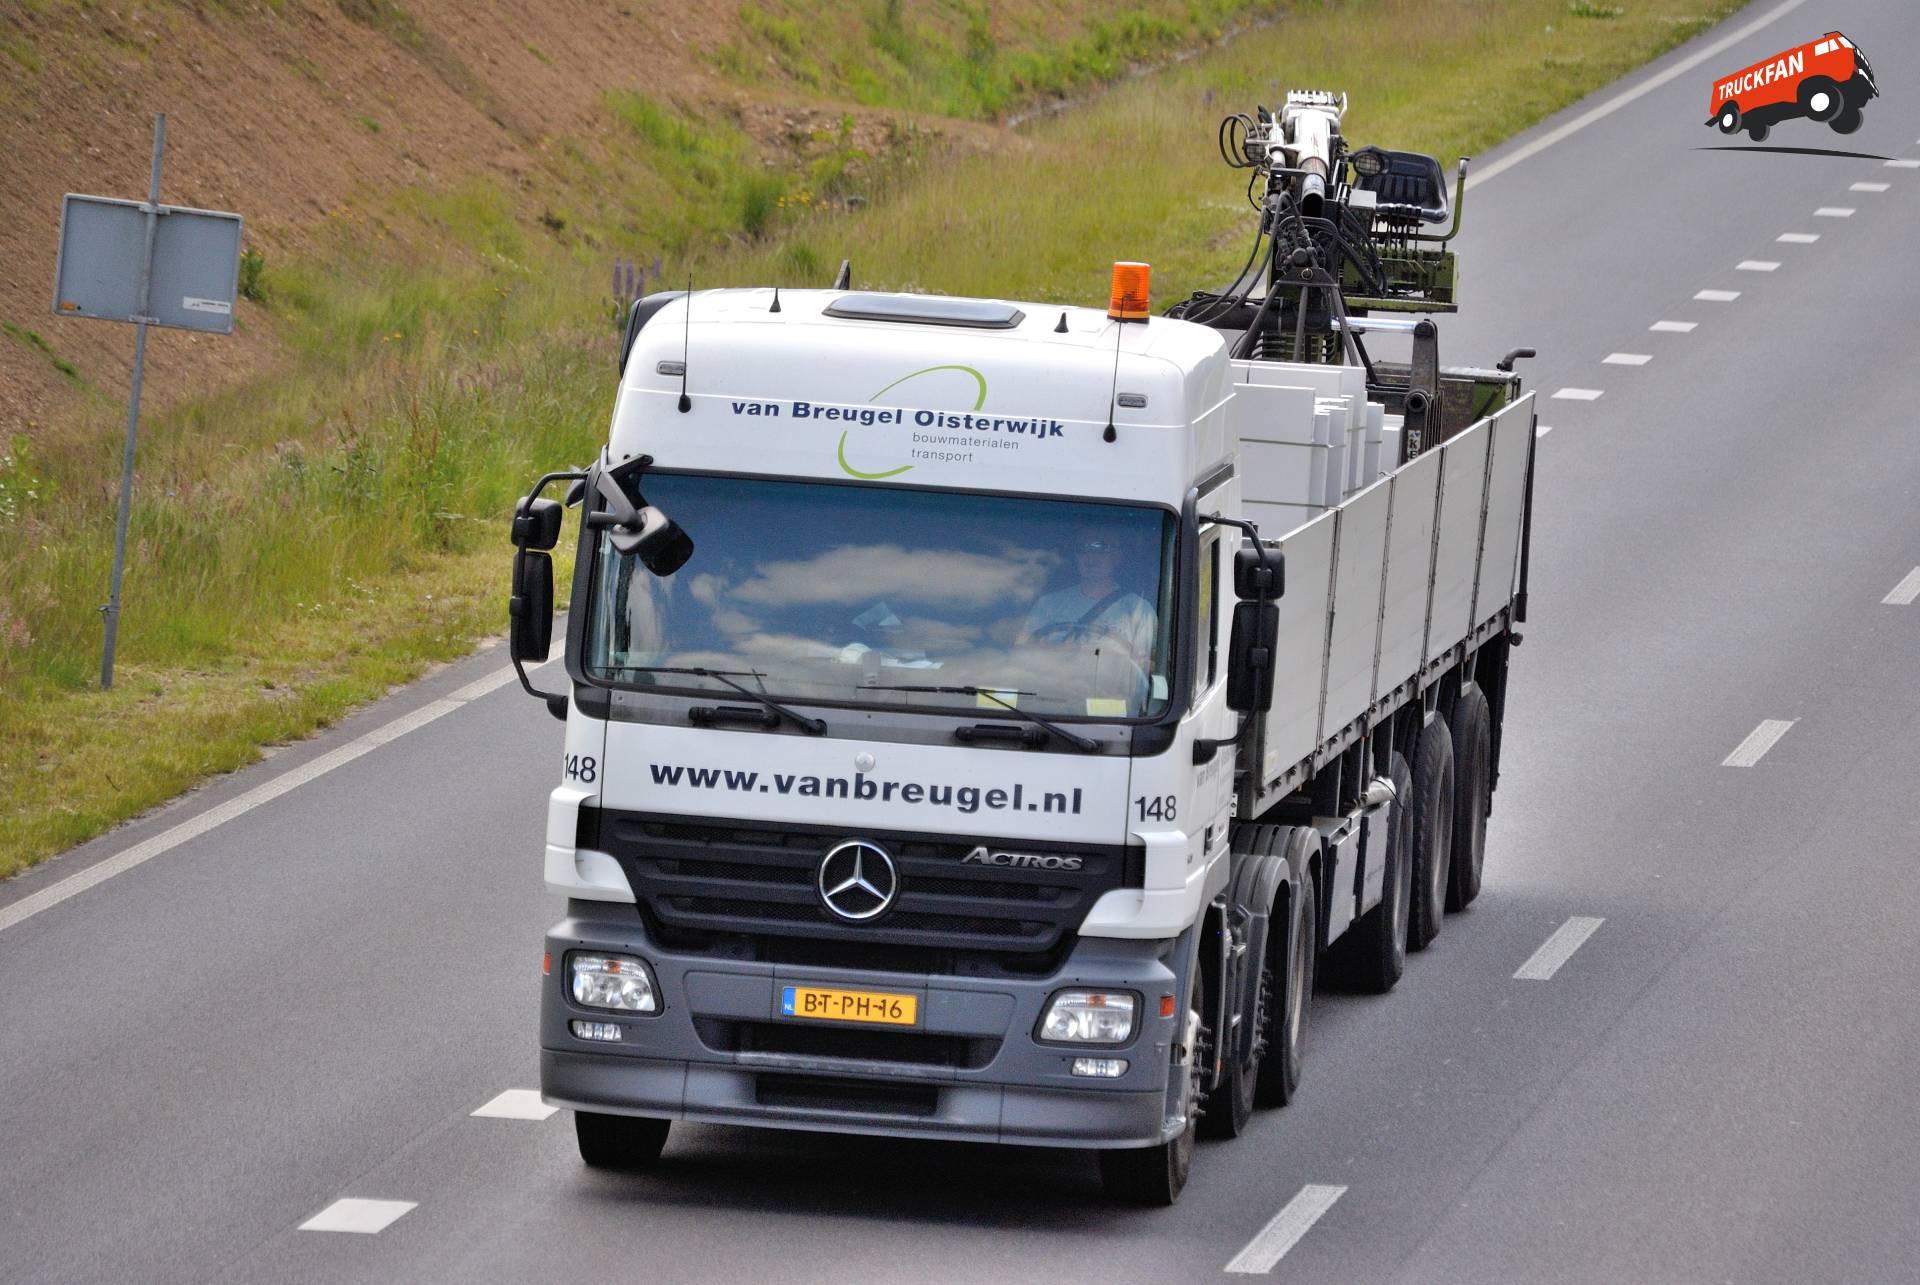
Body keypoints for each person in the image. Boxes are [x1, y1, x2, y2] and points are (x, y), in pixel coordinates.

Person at [1019, 526, 1158, 675]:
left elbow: (1146, 668)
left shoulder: (1139, 609)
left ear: (1117, 557)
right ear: (1075, 556)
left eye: (1101, 547)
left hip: (1112, 696)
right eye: (1083, 548)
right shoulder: (1047, 604)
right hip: (1051, 693)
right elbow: (1021, 654)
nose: (1091, 557)